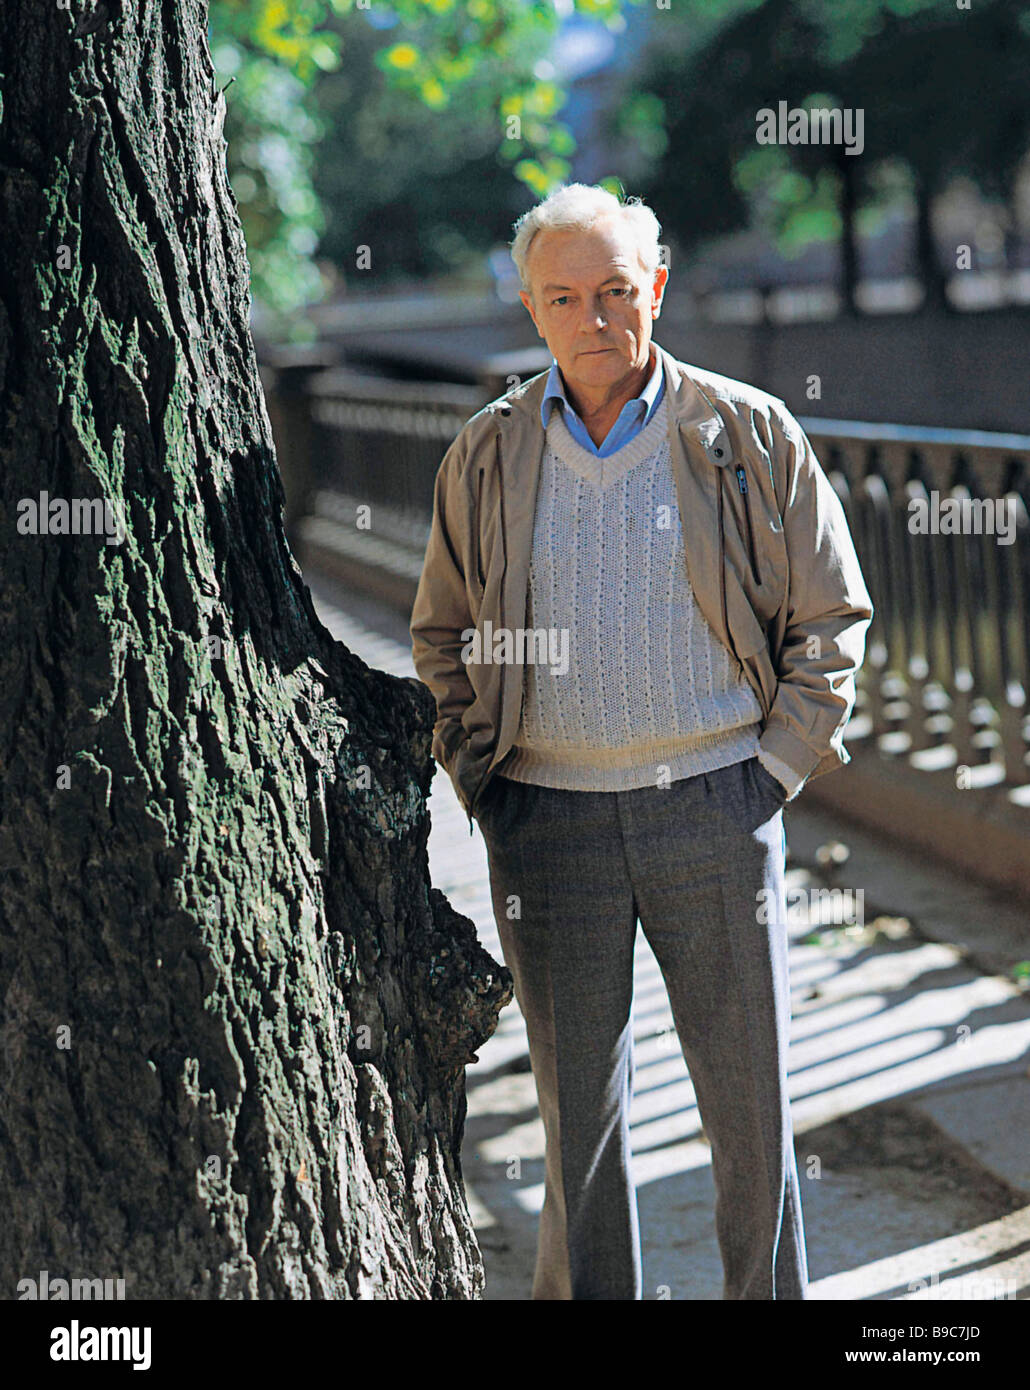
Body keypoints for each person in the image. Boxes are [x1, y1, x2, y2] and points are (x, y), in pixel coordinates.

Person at [410, 182, 873, 1300]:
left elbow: (831, 621)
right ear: (531, 309)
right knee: (576, 1123)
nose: (595, 316)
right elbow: (442, 635)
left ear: (655, 287)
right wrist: (490, 783)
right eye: (565, 296)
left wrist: (766, 775)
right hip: (545, 821)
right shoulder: (486, 452)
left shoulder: (749, 431)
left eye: (617, 290)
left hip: (717, 802)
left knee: (749, 1110)